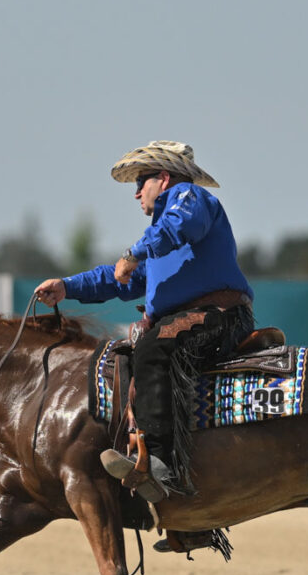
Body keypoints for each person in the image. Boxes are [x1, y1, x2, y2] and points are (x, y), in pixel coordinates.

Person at [34, 141, 254, 501]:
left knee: (152, 348)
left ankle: (160, 464)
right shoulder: (160, 240)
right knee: (142, 350)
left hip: (218, 316)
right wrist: (67, 286)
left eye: (141, 181)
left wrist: (133, 253)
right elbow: (119, 279)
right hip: (196, 318)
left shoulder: (188, 198)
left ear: (163, 179)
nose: (136, 193)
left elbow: (176, 227)